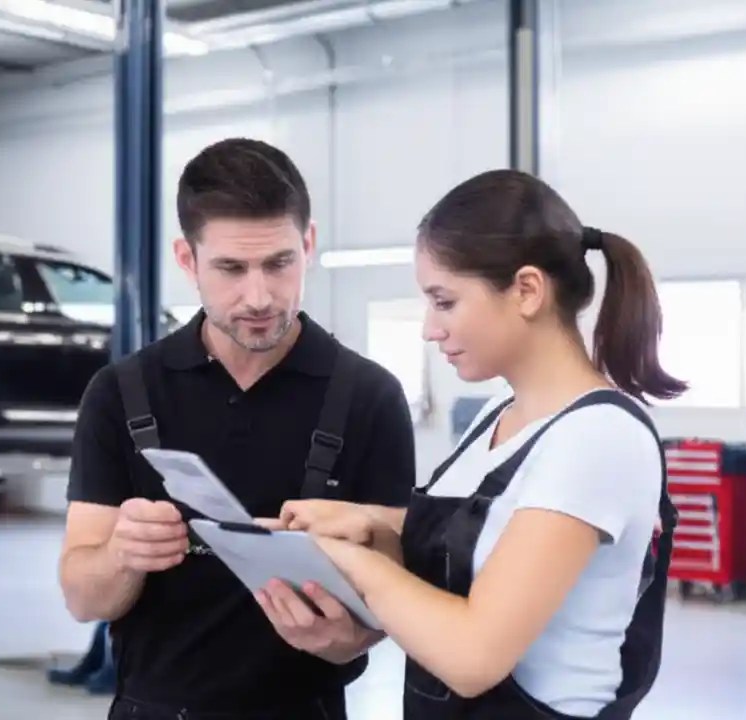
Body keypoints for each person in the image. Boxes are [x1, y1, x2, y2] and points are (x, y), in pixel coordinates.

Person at [263, 169, 684, 719]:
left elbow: (474, 654)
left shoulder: (597, 437)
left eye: (444, 302)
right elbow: (472, 545)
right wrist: (366, 524)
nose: (429, 328)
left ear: (527, 291)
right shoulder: (498, 415)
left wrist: (351, 563)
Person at [59, 137, 417, 720]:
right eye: (230, 268)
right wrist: (123, 555)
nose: (259, 296)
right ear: (186, 258)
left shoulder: (370, 398)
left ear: (309, 244)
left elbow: (397, 595)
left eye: (279, 263)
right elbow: (81, 597)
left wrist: (350, 638)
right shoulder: (120, 394)